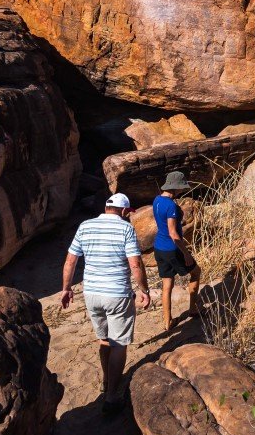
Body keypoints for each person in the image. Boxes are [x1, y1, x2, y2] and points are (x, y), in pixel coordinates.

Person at [61, 192, 150, 415]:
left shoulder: (85, 226)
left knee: (104, 340)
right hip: (117, 294)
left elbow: (71, 260)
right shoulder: (125, 229)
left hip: (91, 293)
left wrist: (66, 288)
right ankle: (111, 396)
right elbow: (136, 264)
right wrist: (144, 290)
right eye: (127, 213)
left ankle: (105, 380)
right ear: (123, 211)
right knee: (119, 343)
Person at [152, 171, 201, 332]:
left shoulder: (157, 200)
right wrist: (186, 253)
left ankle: (167, 321)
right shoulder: (171, 206)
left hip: (159, 247)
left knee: (167, 284)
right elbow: (173, 233)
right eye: (180, 188)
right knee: (195, 272)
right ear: (175, 187)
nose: (181, 190)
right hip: (172, 249)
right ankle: (193, 308)